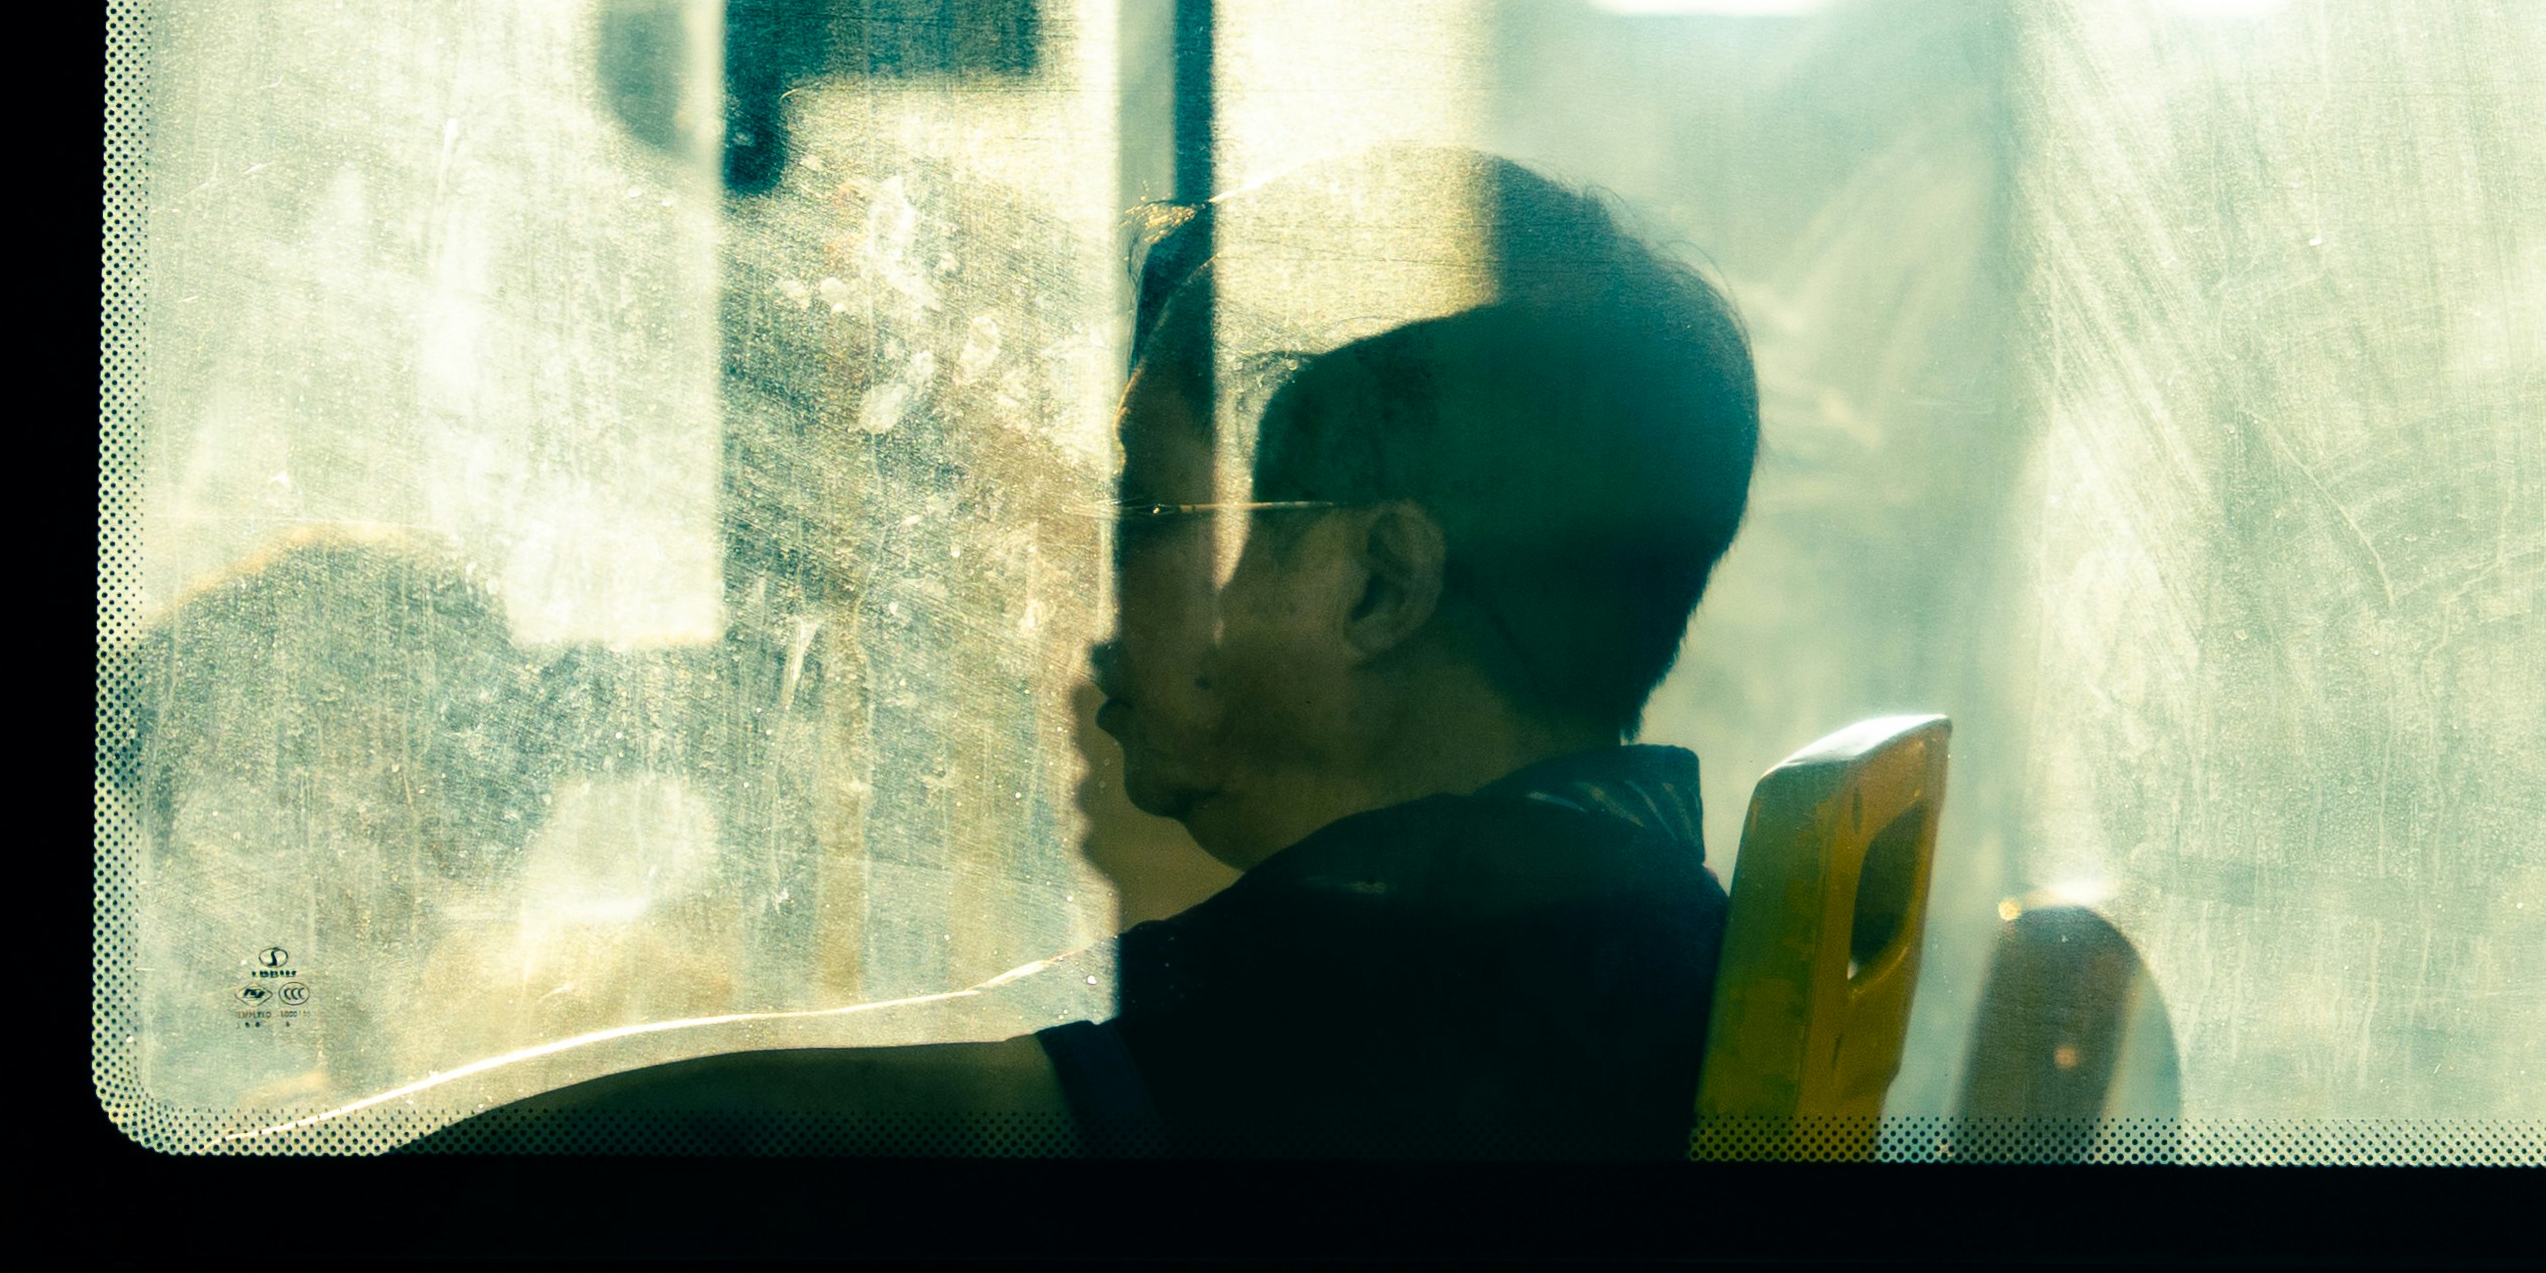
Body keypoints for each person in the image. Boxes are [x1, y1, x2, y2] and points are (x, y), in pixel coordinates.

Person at [419, 153, 1755, 1157]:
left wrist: (289, 1229)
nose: (1084, 586)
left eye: (1143, 516)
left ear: (1375, 585)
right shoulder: (1606, 893)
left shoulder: (1446, 945)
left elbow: (808, 1134)